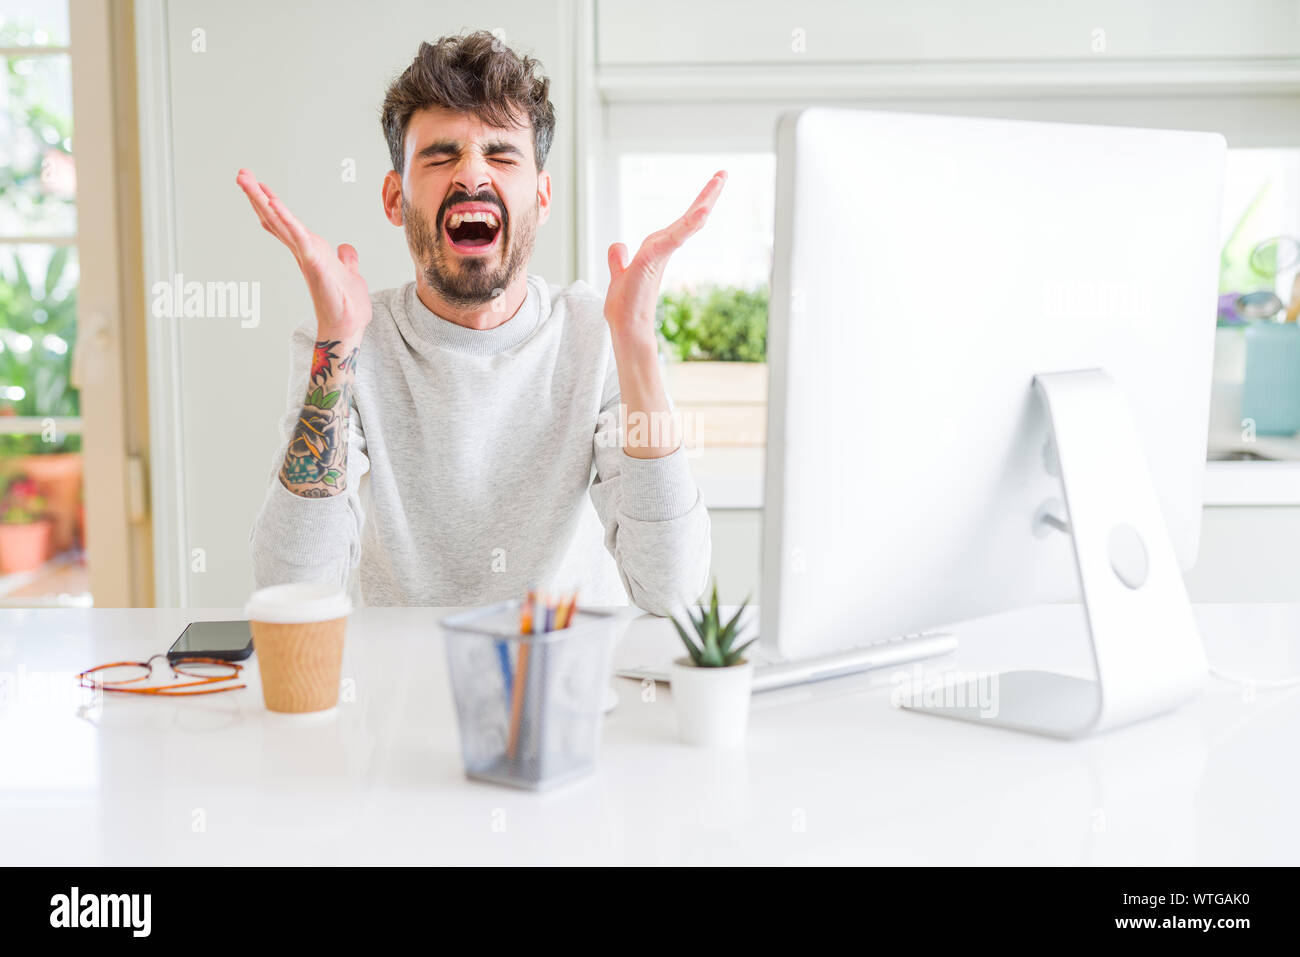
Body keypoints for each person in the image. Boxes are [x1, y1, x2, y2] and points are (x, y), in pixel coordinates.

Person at [241, 31, 720, 614]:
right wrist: (337, 344)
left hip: (562, 691)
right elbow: (293, 585)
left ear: (541, 198)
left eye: (502, 155)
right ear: (395, 199)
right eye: (440, 156)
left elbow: (671, 588)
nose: (472, 175)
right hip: (403, 696)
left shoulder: (599, 335)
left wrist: (637, 347)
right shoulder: (344, 348)